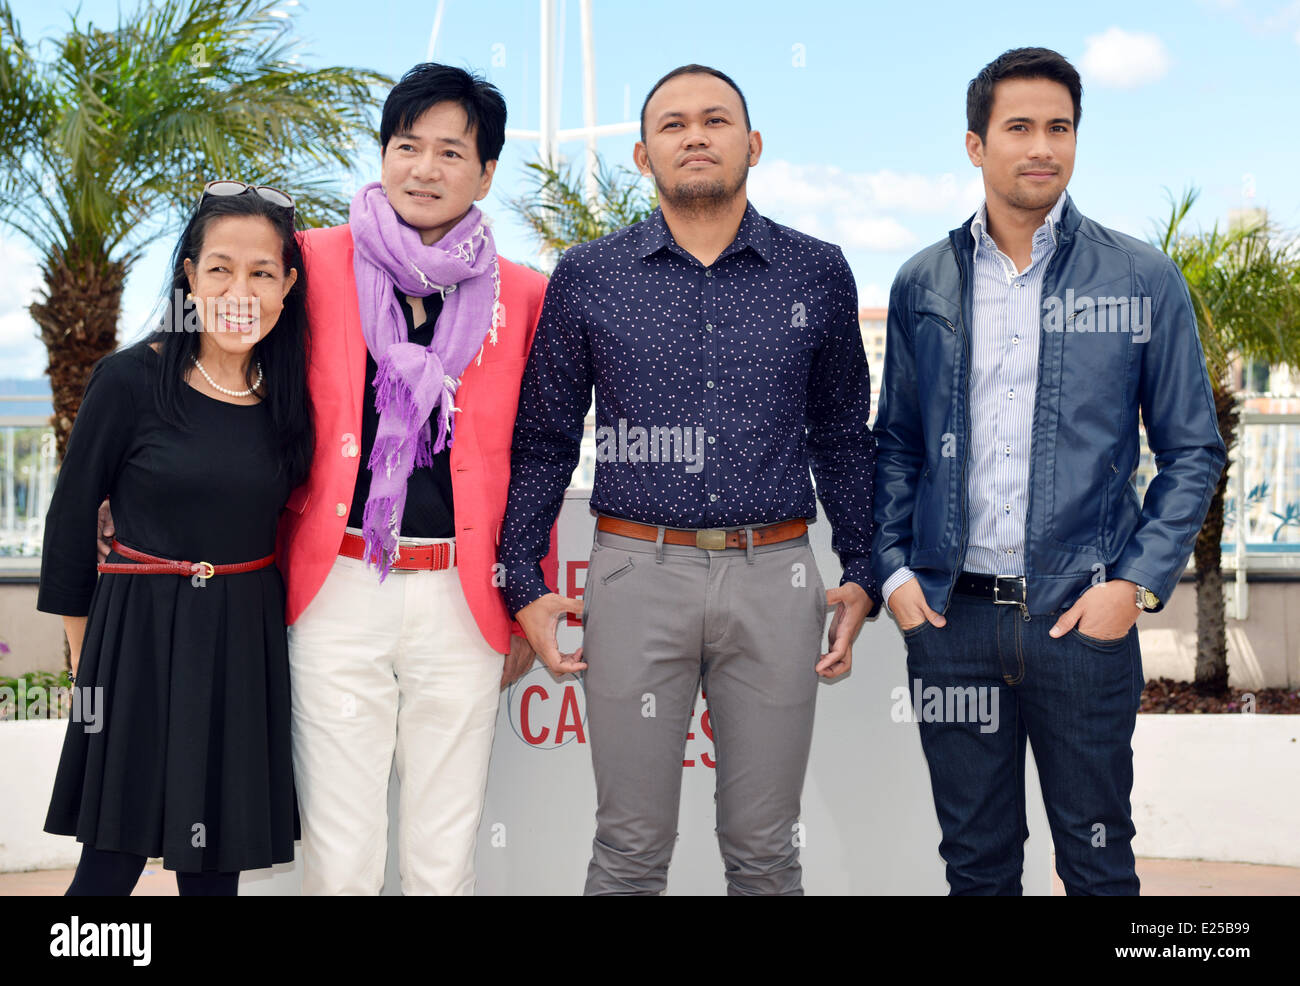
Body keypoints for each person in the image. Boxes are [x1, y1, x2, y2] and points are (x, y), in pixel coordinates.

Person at [499, 64, 881, 896]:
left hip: (777, 576)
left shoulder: (816, 272)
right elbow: (543, 439)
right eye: (673, 125)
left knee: (766, 849)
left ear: (753, 143)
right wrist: (520, 579)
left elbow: (844, 435)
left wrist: (861, 571)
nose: (696, 135)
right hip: (636, 574)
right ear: (643, 154)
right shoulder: (590, 275)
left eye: (715, 120)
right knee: (629, 848)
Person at [872, 47, 1226, 895]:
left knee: (1099, 867)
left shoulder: (1140, 277)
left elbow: (1191, 450)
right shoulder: (924, 282)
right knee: (977, 865)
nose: (1042, 147)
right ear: (975, 144)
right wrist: (892, 576)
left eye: (1059, 128)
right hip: (951, 624)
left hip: (1081, 624)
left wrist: (1133, 585)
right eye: (1019, 127)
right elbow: (896, 446)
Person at [275, 63, 554, 896]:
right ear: (384, 153)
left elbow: (541, 456)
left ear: (486, 171)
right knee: (340, 846)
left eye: (450, 151)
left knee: (444, 848)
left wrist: (520, 591)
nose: (424, 168)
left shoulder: (527, 294)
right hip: (336, 584)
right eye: (407, 146)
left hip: (461, 598)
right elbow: (218, 368)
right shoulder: (306, 263)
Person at [38, 182, 310, 895]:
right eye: (219, 268)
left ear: (287, 283)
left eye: (261, 271)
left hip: (242, 646)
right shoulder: (129, 380)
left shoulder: (292, 398)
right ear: (189, 276)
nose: (238, 289)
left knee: (213, 870)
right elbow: (70, 524)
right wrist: (82, 668)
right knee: (109, 864)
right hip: (134, 645)